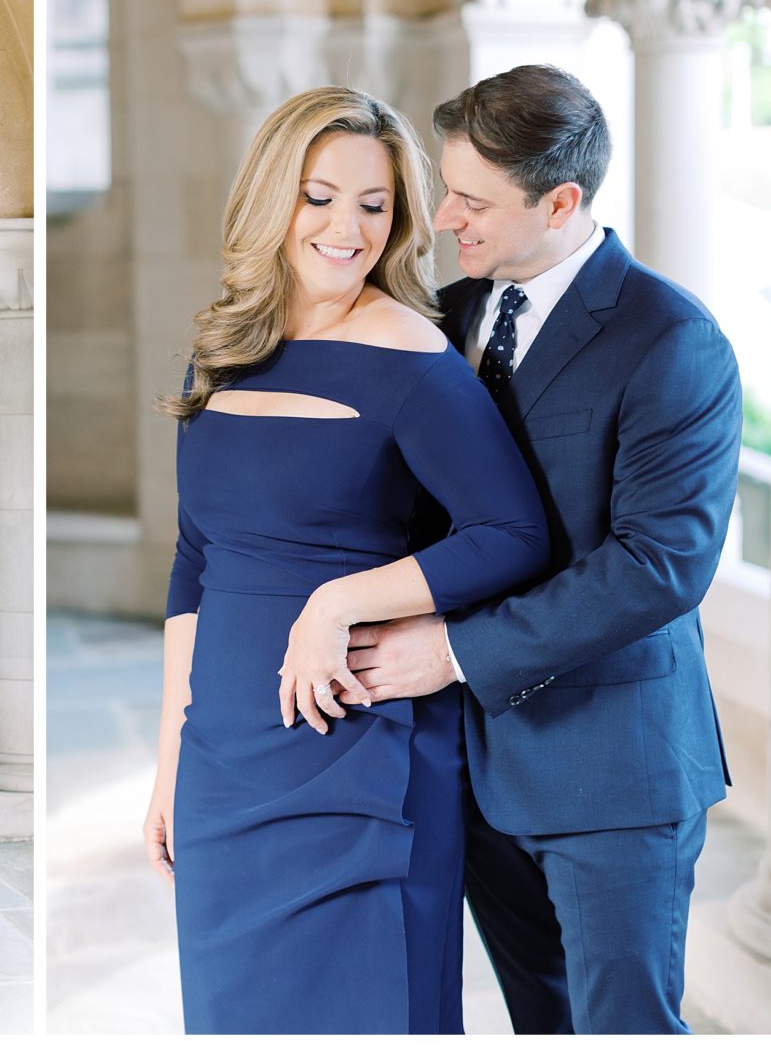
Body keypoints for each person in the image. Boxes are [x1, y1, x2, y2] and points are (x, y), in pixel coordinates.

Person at [143, 86, 551, 1034]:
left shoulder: (413, 354)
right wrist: (171, 760)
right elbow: (195, 559)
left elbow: (512, 533)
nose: (348, 227)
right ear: (271, 197)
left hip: (356, 745)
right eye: (320, 197)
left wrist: (340, 601)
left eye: (375, 205)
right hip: (225, 758)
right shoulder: (221, 351)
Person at [341, 65, 740, 1034]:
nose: (442, 219)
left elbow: (660, 567)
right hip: (471, 768)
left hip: (614, 771)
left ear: (560, 200)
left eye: (472, 200)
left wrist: (448, 653)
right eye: (445, 189)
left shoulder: (670, 337)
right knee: (542, 1023)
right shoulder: (448, 315)